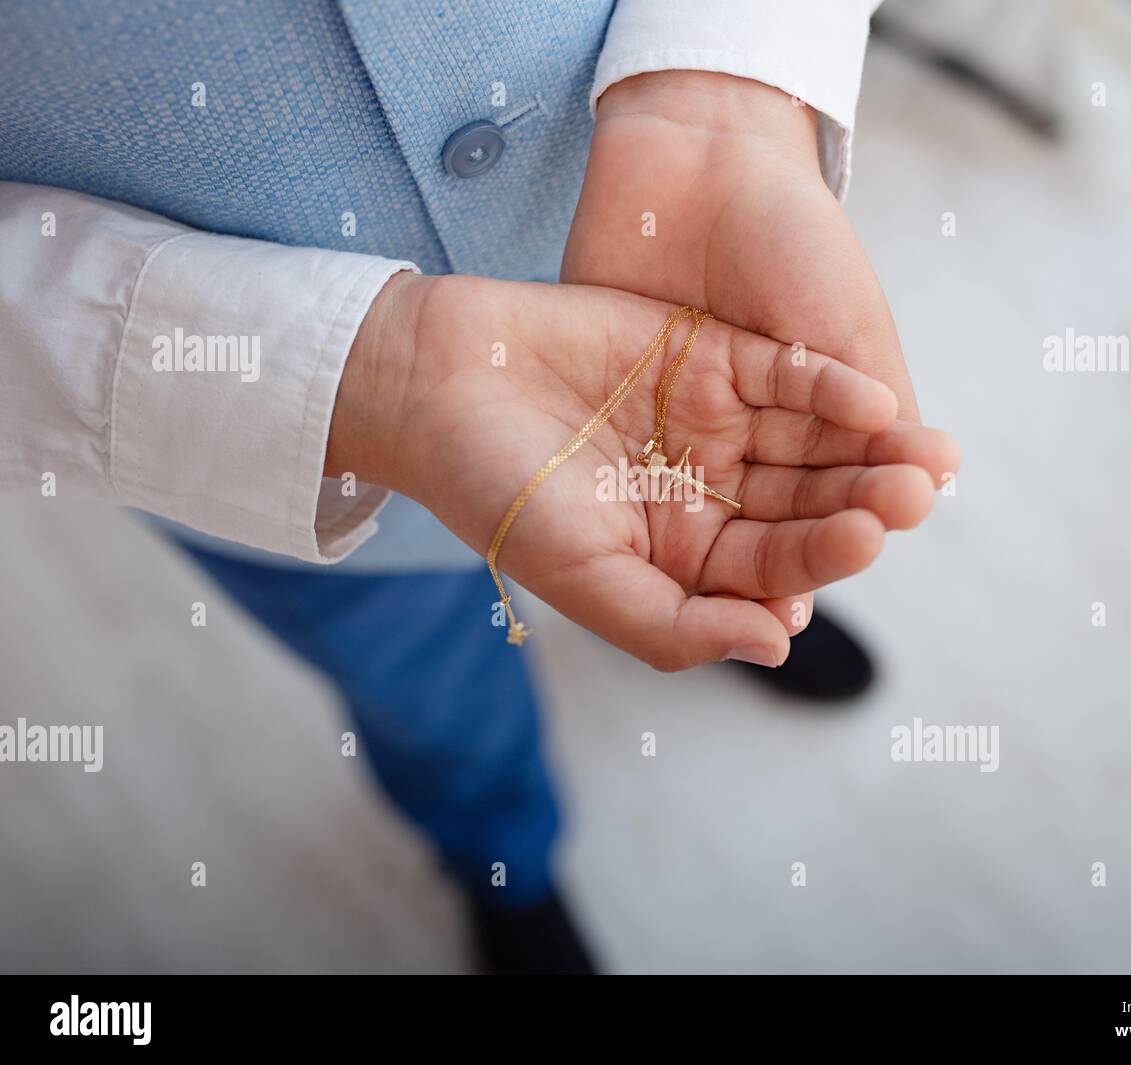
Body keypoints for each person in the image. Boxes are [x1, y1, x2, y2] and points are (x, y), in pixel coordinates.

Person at [0, 0, 958, 973]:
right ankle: (505, 865)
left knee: (734, 525)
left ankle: (731, 608)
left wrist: (729, 92)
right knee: (434, 705)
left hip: (676, 276)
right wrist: (370, 377)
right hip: (263, 441)